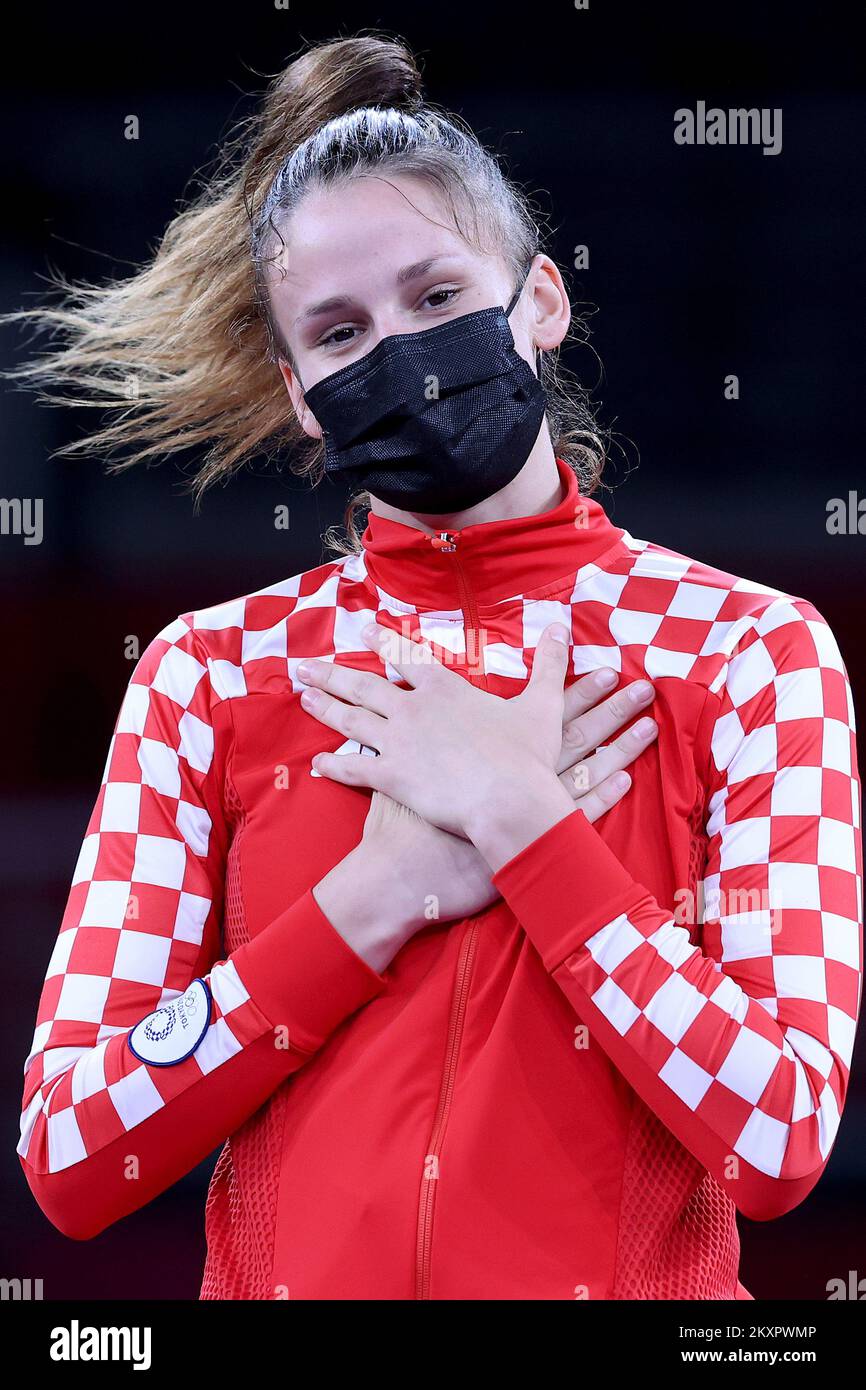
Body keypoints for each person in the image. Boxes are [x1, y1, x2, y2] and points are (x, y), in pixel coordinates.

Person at [11, 34, 862, 1301]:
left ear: (540, 304)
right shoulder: (208, 673)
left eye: (436, 297)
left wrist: (519, 820)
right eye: (341, 332)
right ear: (301, 394)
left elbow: (778, 1136)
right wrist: (386, 890)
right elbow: (72, 1158)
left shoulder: (747, 650)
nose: (399, 352)